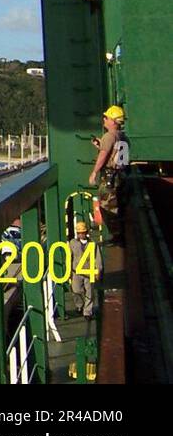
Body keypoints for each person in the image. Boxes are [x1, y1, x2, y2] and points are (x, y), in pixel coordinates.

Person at [88, 105, 130, 246]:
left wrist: (94, 172)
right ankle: (121, 235)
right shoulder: (123, 136)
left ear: (112, 120)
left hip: (110, 177)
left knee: (107, 208)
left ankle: (117, 237)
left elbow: (104, 155)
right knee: (119, 206)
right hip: (122, 174)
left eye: (106, 117)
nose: (104, 119)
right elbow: (115, 153)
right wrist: (101, 145)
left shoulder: (109, 136)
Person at [69, 219, 97, 320]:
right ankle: (79, 305)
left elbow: (97, 257)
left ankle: (87, 312)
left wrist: (99, 270)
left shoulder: (92, 244)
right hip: (76, 271)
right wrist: (68, 270)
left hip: (89, 271)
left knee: (89, 291)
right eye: (79, 233)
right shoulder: (72, 243)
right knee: (76, 290)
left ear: (86, 232)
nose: (81, 235)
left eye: (83, 233)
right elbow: (69, 257)